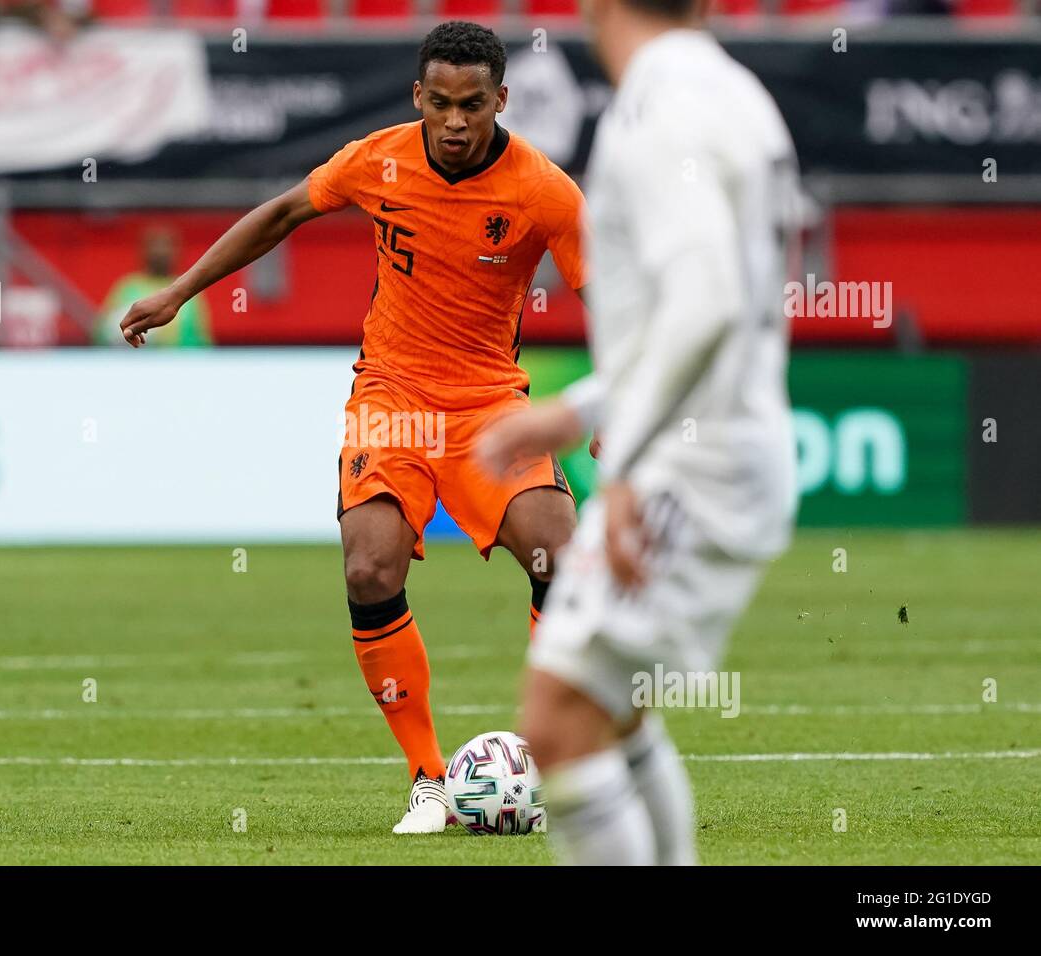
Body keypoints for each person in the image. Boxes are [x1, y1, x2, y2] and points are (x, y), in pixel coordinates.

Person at [120, 21, 587, 834]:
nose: (453, 121)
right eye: (438, 102)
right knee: (370, 569)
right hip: (392, 397)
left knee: (560, 548)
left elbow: (608, 296)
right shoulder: (378, 159)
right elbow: (282, 213)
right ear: (417, 96)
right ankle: (430, 781)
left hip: (489, 405)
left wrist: (620, 402)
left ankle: (556, 752)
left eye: (471, 105)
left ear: (501, 101)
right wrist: (182, 290)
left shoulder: (543, 191)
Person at [477, 0, 802, 863]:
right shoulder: (730, 89)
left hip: (694, 468)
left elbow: (706, 306)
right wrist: (581, 410)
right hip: (725, 447)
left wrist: (621, 467)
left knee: (559, 722)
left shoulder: (664, 105)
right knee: (613, 713)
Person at [96, 228, 211, 348]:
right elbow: (103, 331)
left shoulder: (188, 288)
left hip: (179, 363)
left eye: (166, 246)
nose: (160, 252)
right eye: (155, 246)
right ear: (144, 250)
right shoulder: (127, 287)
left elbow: (202, 339)